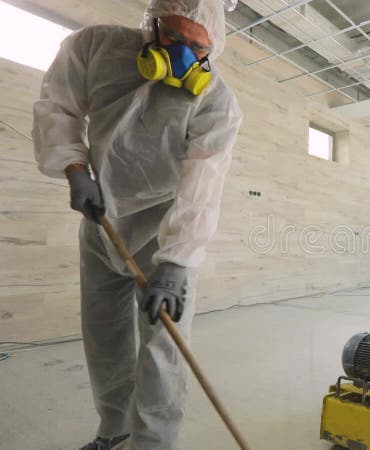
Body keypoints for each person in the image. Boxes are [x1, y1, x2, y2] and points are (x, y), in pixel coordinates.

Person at [32, 1, 242, 448]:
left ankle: (152, 444)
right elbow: (58, 104)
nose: (184, 56)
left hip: (166, 227)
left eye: (198, 48)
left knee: (162, 346)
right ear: (152, 25)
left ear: (213, 50)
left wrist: (177, 261)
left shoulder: (216, 101)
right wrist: (75, 169)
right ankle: (115, 430)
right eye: (174, 38)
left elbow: (202, 185)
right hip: (102, 216)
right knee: (104, 333)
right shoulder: (97, 48)